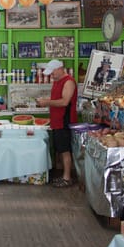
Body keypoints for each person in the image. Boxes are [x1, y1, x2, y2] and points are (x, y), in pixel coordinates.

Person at [36, 60, 77, 188]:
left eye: (52, 72)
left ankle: (67, 178)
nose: (51, 76)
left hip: (65, 120)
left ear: (60, 68)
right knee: (60, 149)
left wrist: (46, 102)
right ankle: (62, 175)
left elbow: (65, 102)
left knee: (65, 150)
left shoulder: (68, 81)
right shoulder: (57, 81)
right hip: (56, 120)